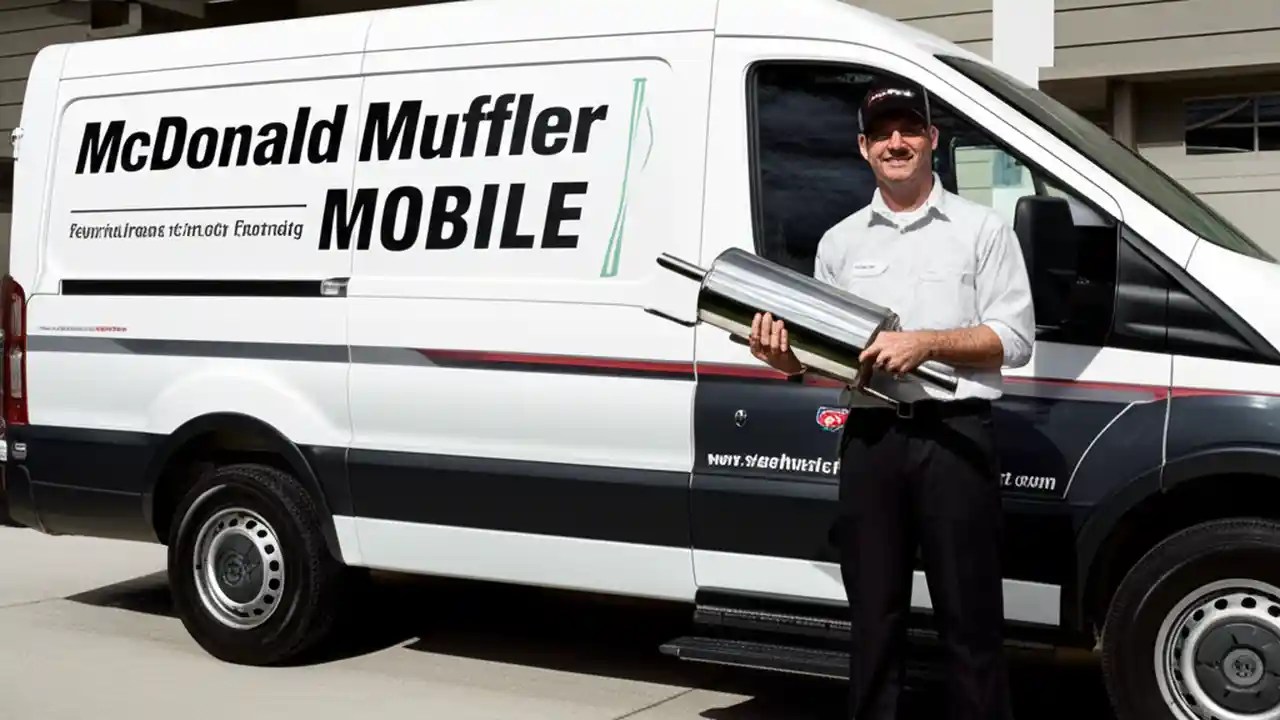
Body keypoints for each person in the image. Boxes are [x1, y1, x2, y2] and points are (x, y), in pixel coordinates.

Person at [748, 79, 1035, 720]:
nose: (896, 143)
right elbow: (825, 360)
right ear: (863, 147)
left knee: (971, 618)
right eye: (882, 134)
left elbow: (1014, 340)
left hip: (954, 438)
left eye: (908, 130)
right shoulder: (840, 243)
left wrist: (925, 344)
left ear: (932, 140)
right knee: (873, 619)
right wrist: (784, 358)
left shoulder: (981, 231)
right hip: (872, 440)